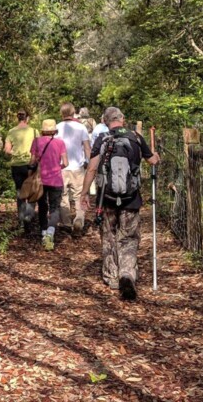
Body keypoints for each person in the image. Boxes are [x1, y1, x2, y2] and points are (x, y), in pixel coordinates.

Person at [80, 107, 159, 300]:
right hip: (131, 199)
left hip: (106, 199)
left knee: (109, 236)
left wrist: (84, 193)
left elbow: (91, 169)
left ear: (106, 121)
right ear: (122, 119)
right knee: (129, 238)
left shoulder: (102, 139)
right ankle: (127, 273)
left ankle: (112, 276)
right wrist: (155, 156)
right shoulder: (136, 138)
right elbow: (151, 161)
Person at [30, 119, 68, 250]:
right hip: (56, 179)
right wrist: (58, 167)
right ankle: (50, 233)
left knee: (42, 206)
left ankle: (43, 233)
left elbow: (32, 161)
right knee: (54, 208)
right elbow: (66, 163)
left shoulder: (36, 141)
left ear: (42, 130)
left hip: (41, 180)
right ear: (54, 130)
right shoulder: (60, 143)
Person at [58, 103, 92, 236]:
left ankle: (66, 223)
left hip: (61, 167)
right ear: (73, 113)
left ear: (62, 114)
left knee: (63, 196)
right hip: (77, 167)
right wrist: (90, 164)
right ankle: (78, 220)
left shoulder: (57, 128)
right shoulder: (81, 127)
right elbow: (87, 147)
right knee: (80, 195)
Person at [4, 110, 37, 236]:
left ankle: (21, 222)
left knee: (20, 193)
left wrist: (17, 153)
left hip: (17, 166)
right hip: (31, 165)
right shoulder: (34, 131)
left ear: (18, 118)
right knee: (33, 193)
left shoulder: (11, 132)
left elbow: (7, 151)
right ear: (27, 118)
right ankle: (29, 217)